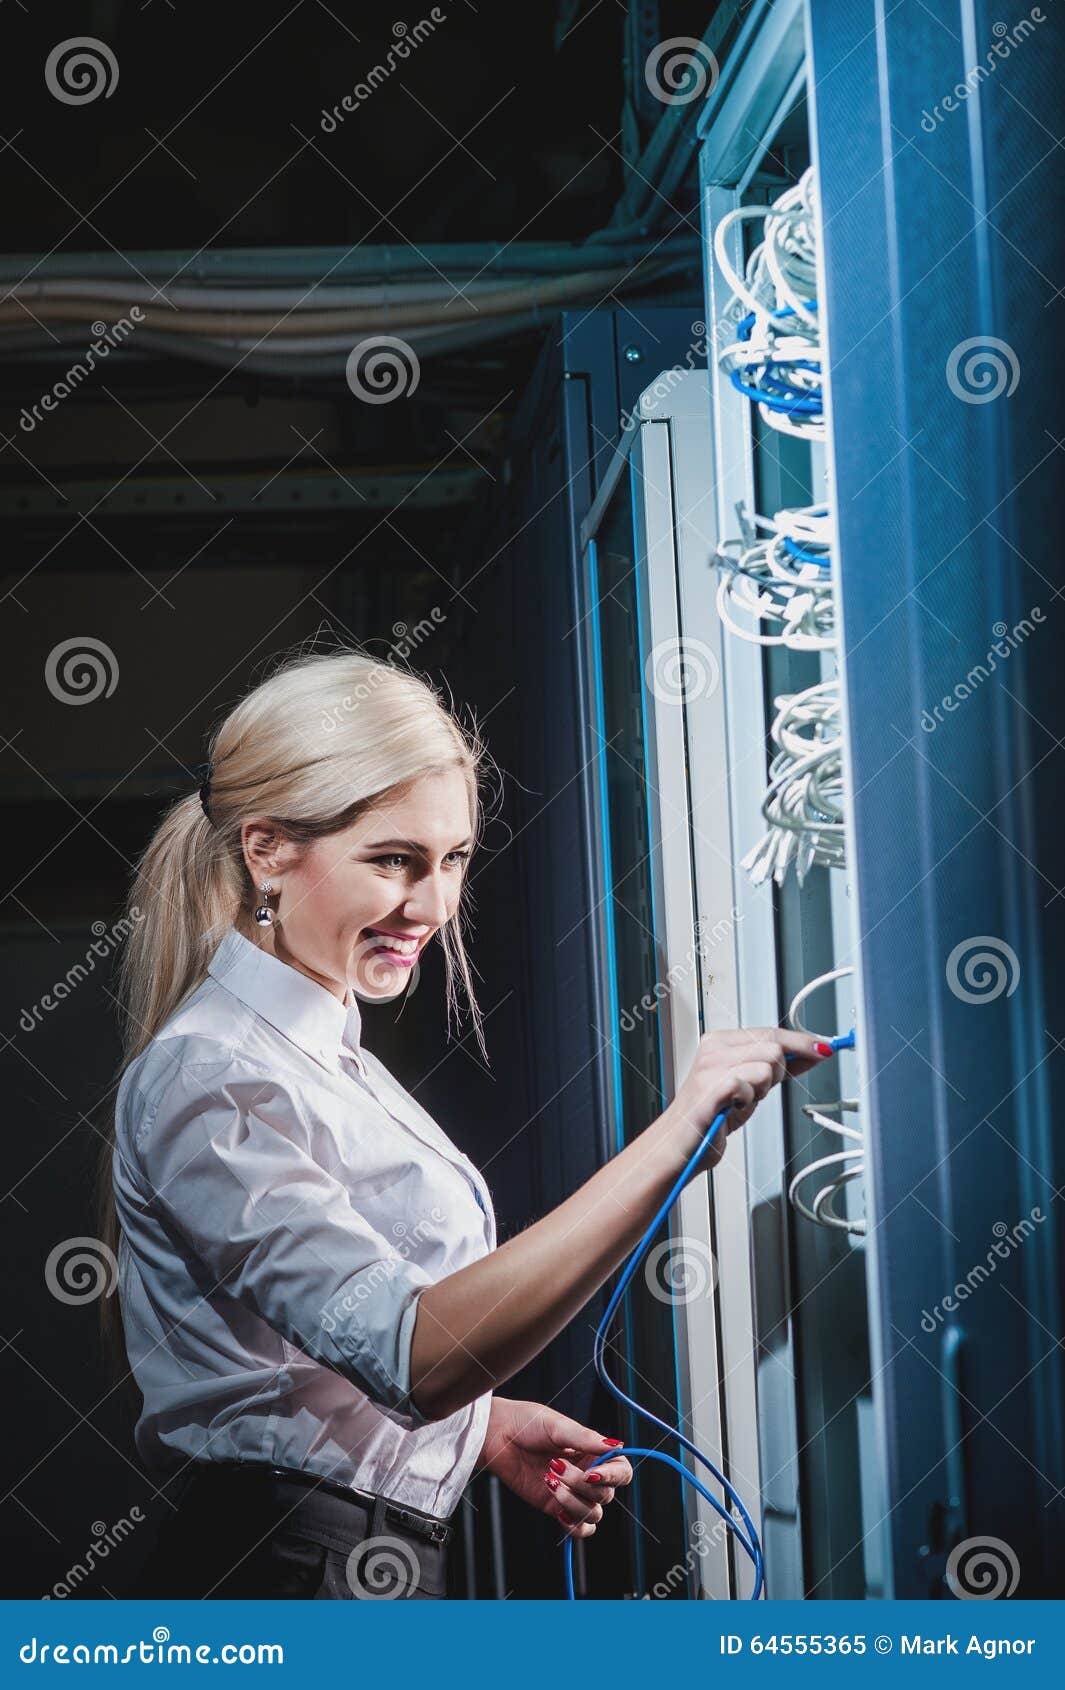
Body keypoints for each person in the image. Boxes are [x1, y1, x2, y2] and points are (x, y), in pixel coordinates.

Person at [96, 647, 831, 1600]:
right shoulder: (215, 1072)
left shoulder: (322, 1056)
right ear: (266, 848)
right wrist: (673, 1137)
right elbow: (413, 1354)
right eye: (392, 861)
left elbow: (330, 1358)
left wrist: (481, 1431)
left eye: (451, 861)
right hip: (288, 1574)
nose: (433, 905)